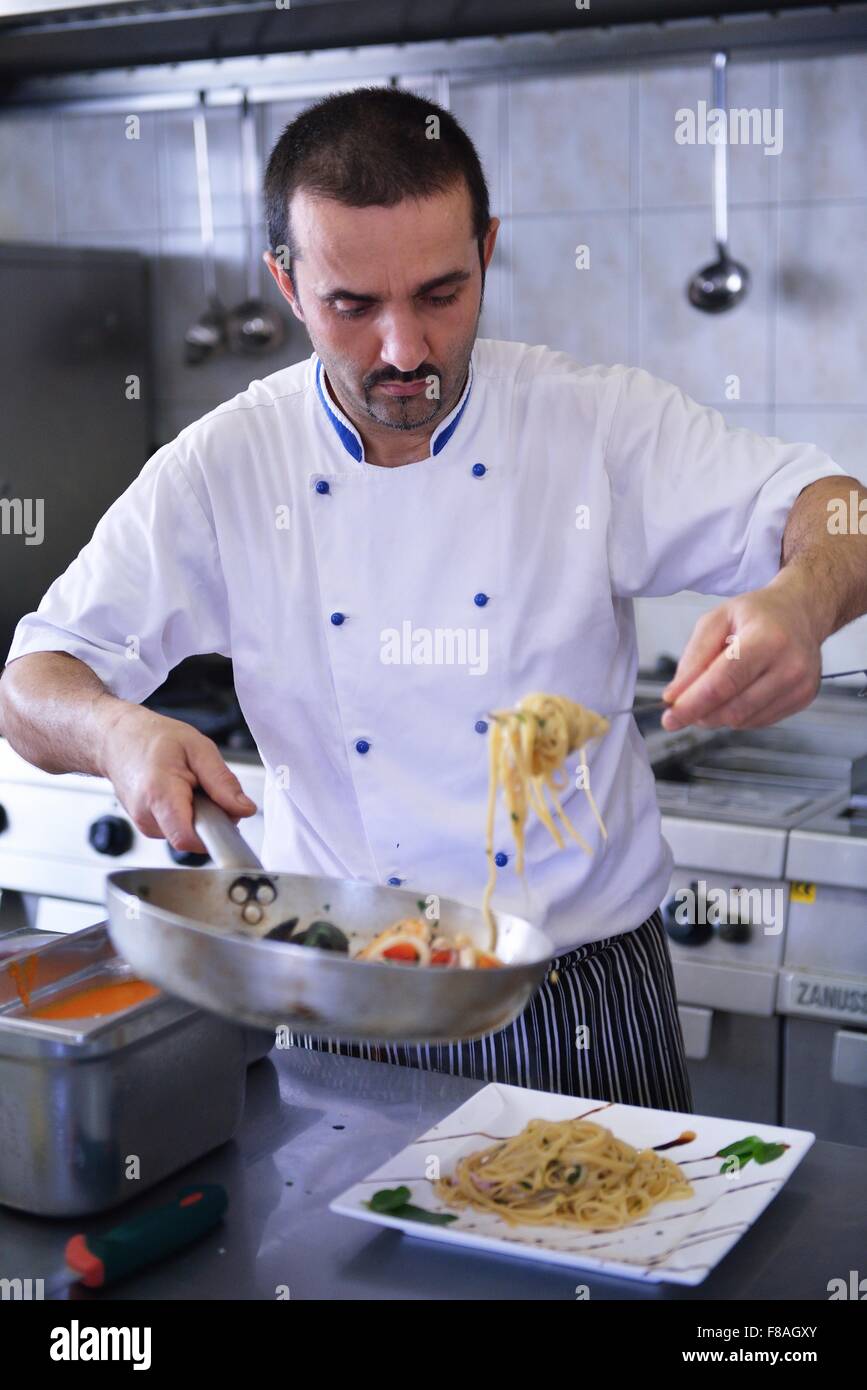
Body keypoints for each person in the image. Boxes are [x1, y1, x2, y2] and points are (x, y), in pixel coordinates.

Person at [2, 87, 865, 1111]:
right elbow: (33, 679)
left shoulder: (592, 424)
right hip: (339, 996)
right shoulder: (229, 464)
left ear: (489, 250)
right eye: (353, 306)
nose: (406, 350)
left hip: (576, 997)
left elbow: (840, 511)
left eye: (442, 293)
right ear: (286, 282)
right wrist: (114, 733)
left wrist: (800, 603)